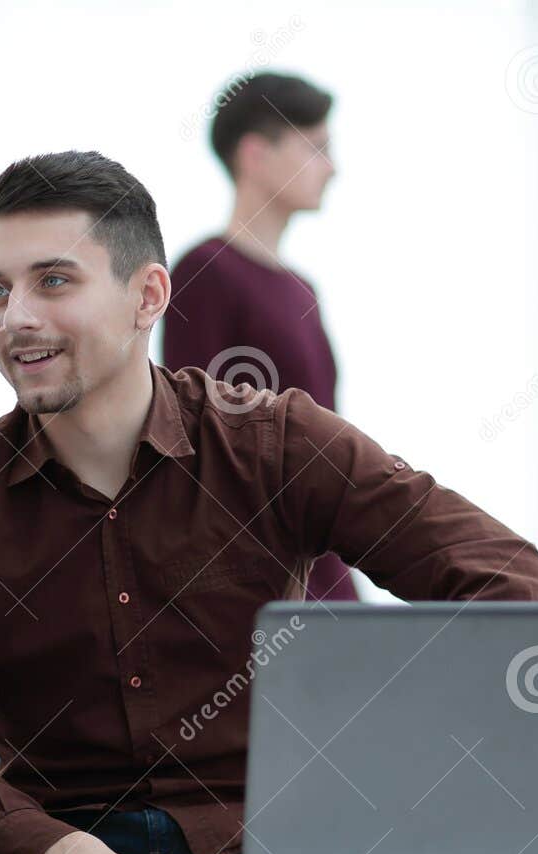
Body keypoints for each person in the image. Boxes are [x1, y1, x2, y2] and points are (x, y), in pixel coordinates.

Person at [0, 150, 538, 854]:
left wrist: (395, 769)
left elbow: (509, 585)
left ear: (149, 296)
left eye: (54, 281)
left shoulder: (273, 443)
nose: (16, 318)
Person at [164, 72, 358, 602]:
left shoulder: (302, 290)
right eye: (316, 147)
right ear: (255, 154)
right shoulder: (205, 272)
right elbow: (192, 440)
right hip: (256, 574)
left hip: (323, 553)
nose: (332, 167)